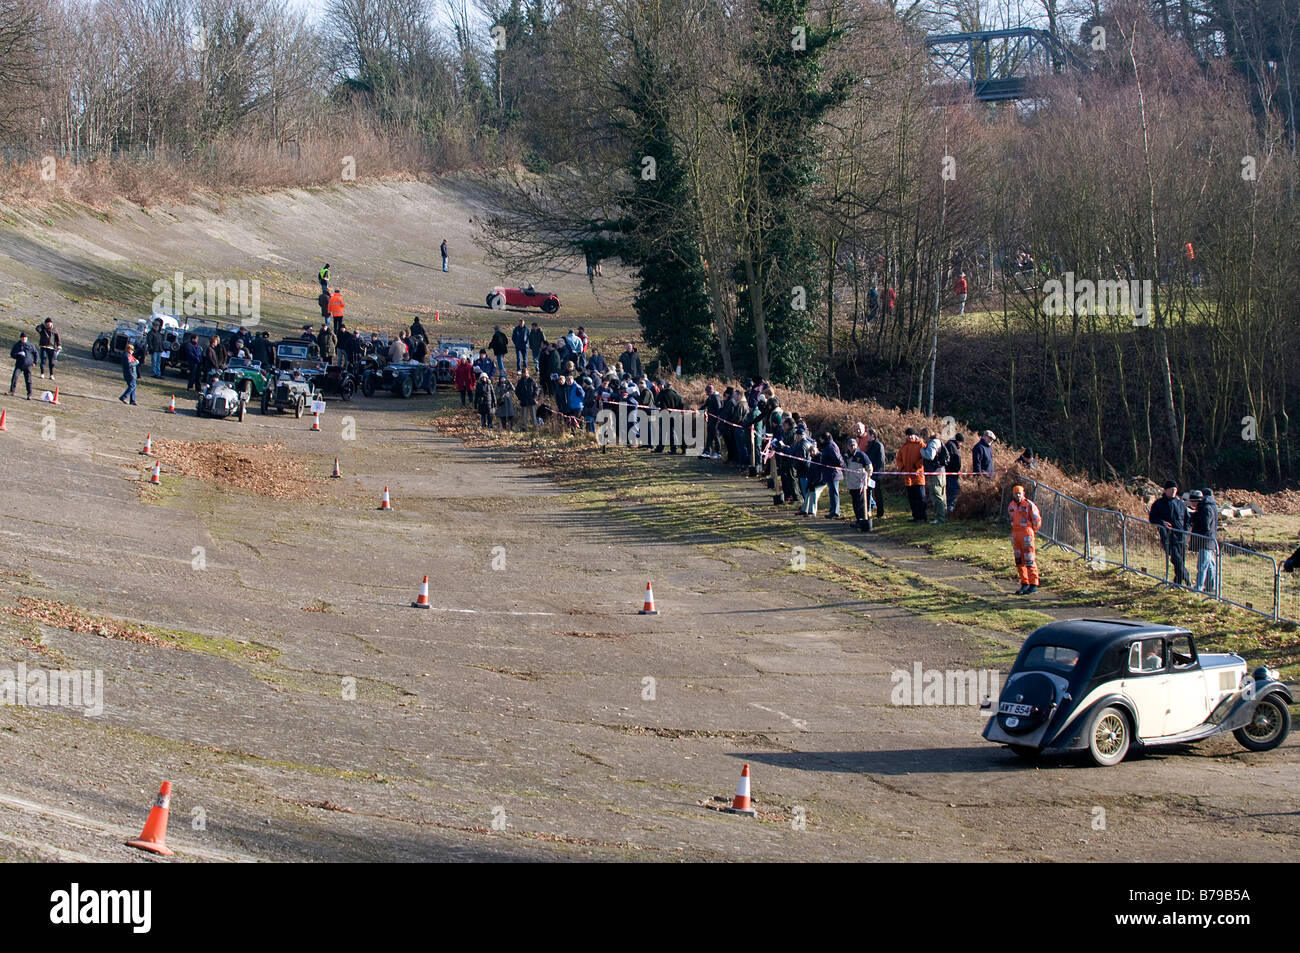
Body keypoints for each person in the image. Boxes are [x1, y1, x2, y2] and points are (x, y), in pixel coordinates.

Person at [1148, 480, 1190, 587]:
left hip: (1181, 537)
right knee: (1176, 558)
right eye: (1171, 490)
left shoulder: (1180, 503)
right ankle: (1187, 579)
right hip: (1168, 536)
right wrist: (1162, 523)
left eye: (1175, 490)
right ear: (1165, 490)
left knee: (1180, 560)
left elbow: (1187, 519)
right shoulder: (1158, 504)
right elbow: (1152, 518)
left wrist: (1185, 531)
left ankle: (1178, 583)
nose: (1173, 492)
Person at [1008, 484, 1043, 594]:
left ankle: (1033, 584)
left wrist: (1032, 531)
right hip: (1015, 533)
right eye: (1015, 493)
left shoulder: (1029, 505)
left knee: (1029, 558)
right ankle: (1024, 583)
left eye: (1019, 493)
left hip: (1026, 532)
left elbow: (1037, 520)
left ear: (1023, 494)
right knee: (1019, 560)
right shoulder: (1011, 506)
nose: (1017, 495)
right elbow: (1011, 518)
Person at [1189, 488, 1219, 594]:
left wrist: (1194, 521)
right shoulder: (1212, 506)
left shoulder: (1205, 508)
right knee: (1210, 565)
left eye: (1192, 501)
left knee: (1202, 565)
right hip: (1210, 540)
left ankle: (1198, 588)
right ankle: (1212, 588)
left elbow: (1205, 525)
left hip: (1205, 541)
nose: (1192, 504)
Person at [896, 428, 927, 521]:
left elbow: (924, 458)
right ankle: (915, 516)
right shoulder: (903, 447)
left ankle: (923, 516)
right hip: (908, 477)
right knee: (912, 498)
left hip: (918, 476)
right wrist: (902, 468)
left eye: (911, 435)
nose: (910, 437)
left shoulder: (921, 445)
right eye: (908, 435)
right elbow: (898, 459)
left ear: (914, 435)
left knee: (921, 497)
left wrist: (917, 466)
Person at [843, 438, 872, 531]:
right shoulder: (846, 456)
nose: (852, 447)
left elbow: (869, 467)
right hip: (851, 483)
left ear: (856, 445)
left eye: (853, 445)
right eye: (850, 446)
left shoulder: (862, 455)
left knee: (861, 503)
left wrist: (868, 477)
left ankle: (863, 520)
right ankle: (858, 520)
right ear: (848, 447)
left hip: (860, 483)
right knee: (855, 503)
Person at [921, 429, 947, 524]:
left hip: (935, 473)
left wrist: (922, 451)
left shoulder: (932, 443)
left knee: (936, 495)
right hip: (941, 471)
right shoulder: (938, 441)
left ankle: (940, 518)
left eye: (923, 436)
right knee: (942, 495)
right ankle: (943, 515)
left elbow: (931, 456)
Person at [818, 432, 845, 519]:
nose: (820, 441)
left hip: (833, 473)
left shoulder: (831, 446)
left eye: (821, 439)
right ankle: (833, 509)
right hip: (830, 473)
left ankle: (835, 511)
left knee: (834, 492)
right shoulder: (828, 446)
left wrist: (833, 465)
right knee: (832, 492)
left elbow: (837, 459)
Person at [655, 378, 684, 453]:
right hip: (676, 415)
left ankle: (662, 449)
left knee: (665, 433)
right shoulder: (677, 394)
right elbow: (681, 405)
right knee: (678, 433)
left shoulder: (662, 393)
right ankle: (683, 449)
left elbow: (657, 403)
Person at [864, 428, 885, 519]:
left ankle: (880, 512)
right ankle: (867, 511)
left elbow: (881, 461)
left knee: (877, 493)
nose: (866, 436)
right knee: (867, 492)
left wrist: (876, 472)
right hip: (869, 473)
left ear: (873, 435)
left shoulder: (878, 445)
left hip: (876, 473)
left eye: (867, 434)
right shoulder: (868, 445)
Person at [8, 331, 36, 398]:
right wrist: (17, 355)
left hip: (28, 365)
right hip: (19, 365)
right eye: (23, 338)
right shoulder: (17, 345)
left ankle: (29, 394)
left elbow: (36, 353)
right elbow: (12, 354)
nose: (24, 339)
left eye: (25, 338)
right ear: (20, 338)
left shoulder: (30, 345)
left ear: (27, 338)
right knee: (15, 377)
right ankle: (12, 391)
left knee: (28, 380)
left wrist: (35, 362)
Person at [943, 432, 964, 513]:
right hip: (951, 473)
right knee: (954, 490)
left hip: (950, 473)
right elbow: (955, 460)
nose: (961, 445)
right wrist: (956, 469)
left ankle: (949, 509)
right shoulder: (952, 446)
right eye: (961, 442)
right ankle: (950, 509)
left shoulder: (950, 444)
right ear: (958, 441)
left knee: (951, 491)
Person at [700, 384, 722, 459]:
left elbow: (719, 409)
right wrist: (698, 410)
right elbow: (705, 405)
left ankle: (718, 452)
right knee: (709, 437)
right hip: (710, 420)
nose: (706, 393)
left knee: (716, 437)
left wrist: (718, 420)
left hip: (715, 421)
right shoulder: (710, 397)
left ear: (710, 391)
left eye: (707, 392)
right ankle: (707, 452)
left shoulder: (716, 398)